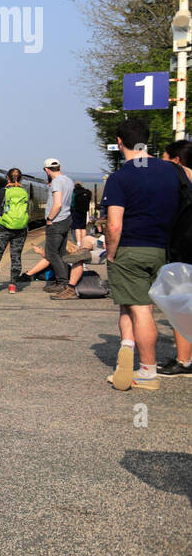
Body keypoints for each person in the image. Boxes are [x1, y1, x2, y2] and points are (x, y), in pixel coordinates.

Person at [101, 118, 183, 390]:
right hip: (162, 249)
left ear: (119, 142)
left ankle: (148, 371)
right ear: (147, 140)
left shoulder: (120, 177)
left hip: (130, 248)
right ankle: (126, 348)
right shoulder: (173, 171)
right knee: (131, 303)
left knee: (140, 308)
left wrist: (110, 253)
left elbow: (114, 225)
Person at [158, 140, 192, 377]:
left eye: (165, 158)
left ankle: (183, 360)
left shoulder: (178, 179)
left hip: (183, 247)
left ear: (176, 161)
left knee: (180, 304)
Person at [41, 158, 76, 297]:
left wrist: (50, 218)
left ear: (46, 170)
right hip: (66, 219)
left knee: (51, 253)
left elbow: (58, 204)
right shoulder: (68, 180)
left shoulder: (56, 182)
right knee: (61, 253)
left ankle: (62, 282)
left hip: (57, 221)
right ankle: (64, 281)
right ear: (59, 167)